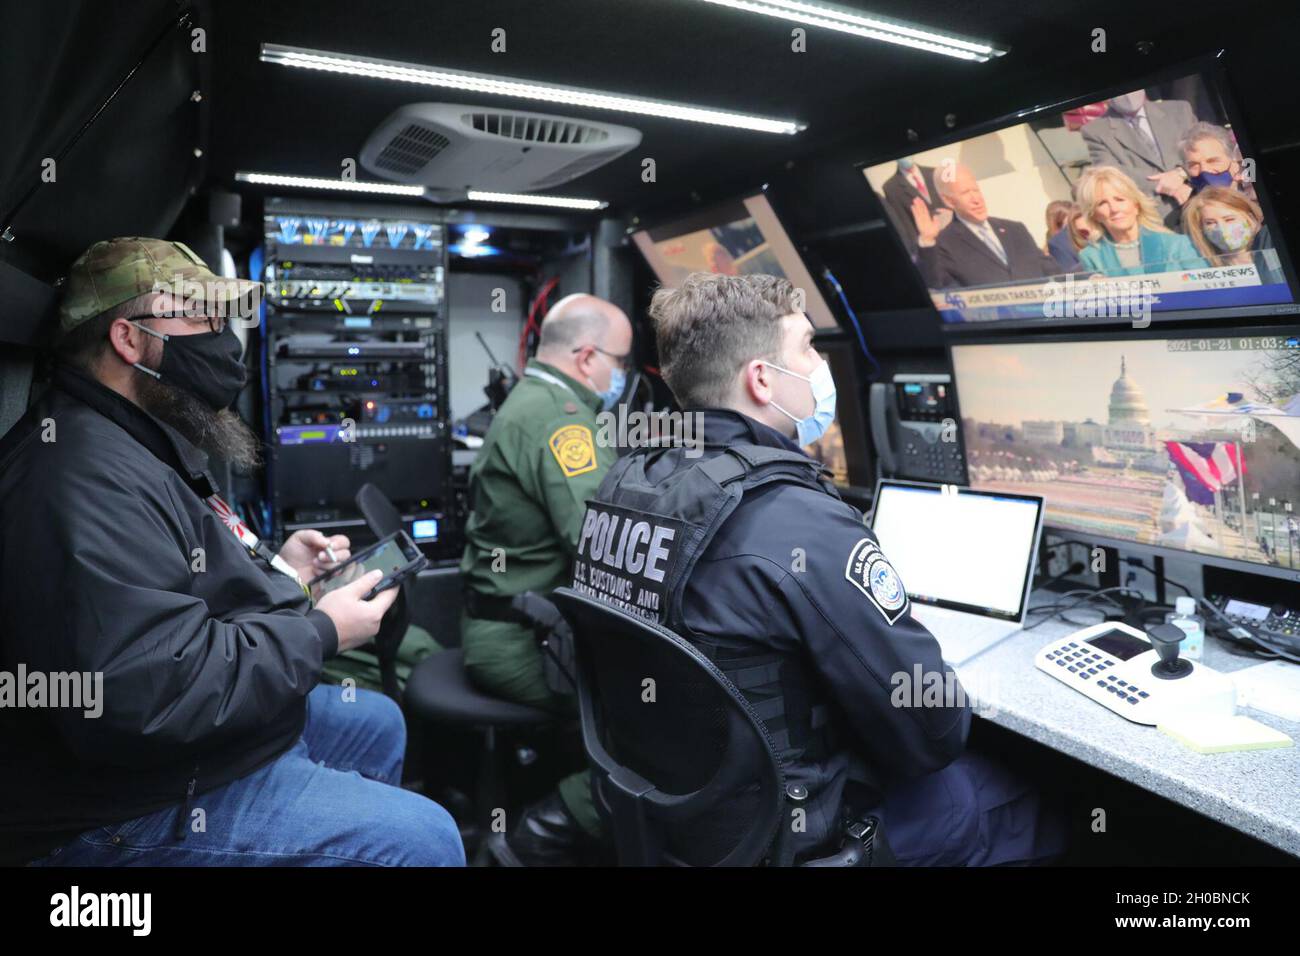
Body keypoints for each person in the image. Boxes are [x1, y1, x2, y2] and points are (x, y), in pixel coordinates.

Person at [0, 237, 464, 866]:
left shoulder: (137, 441)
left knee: (375, 722)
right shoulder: (80, 477)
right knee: (425, 840)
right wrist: (322, 632)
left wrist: (287, 573)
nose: (221, 339)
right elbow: (153, 692)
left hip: (191, 755)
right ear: (128, 340)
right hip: (120, 803)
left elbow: (192, 591)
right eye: (199, 316)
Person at [577, 271, 1065, 865]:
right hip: (798, 835)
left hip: (676, 819)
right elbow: (932, 734)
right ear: (762, 379)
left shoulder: (625, 483)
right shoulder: (798, 519)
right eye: (808, 347)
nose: (820, 365)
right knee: (1021, 799)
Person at [458, 292, 632, 864]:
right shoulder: (562, 423)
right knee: (661, 717)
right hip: (521, 643)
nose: (620, 376)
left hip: (505, 625)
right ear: (587, 358)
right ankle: (534, 839)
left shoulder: (529, 400)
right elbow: (600, 546)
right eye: (620, 361)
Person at [911, 164, 1063, 288]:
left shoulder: (1015, 230)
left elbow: (1051, 270)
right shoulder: (945, 244)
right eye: (965, 193)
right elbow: (935, 283)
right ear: (949, 201)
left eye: (975, 190)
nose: (976, 199)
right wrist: (927, 240)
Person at [1081, 90, 1198, 222]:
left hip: (1200, 196)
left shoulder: (1178, 110)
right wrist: (1165, 184)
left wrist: (1181, 172)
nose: (1127, 95)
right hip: (1154, 214)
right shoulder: (1096, 131)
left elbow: (1202, 148)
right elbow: (1110, 172)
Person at [1075, 166, 1208, 276]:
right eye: (1102, 203)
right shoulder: (1092, 256)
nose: (1114, 209)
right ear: (1094, 215)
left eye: (1120, 199)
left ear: (1136, 205)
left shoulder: (1177, 244)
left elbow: (1206, 291)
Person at [1182, 186, 1280, 283]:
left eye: (1229, 219)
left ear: (1250, 218)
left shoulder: (1273, 241)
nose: (1221, 228)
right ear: (1201, 229)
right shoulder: (1201, 265)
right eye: (1210, 223)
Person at [881, 158, 941, 254]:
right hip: (929, 245)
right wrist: (919, 250)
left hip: (953, 235)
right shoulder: (890, 187)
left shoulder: (934, 172)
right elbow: (905, 222)